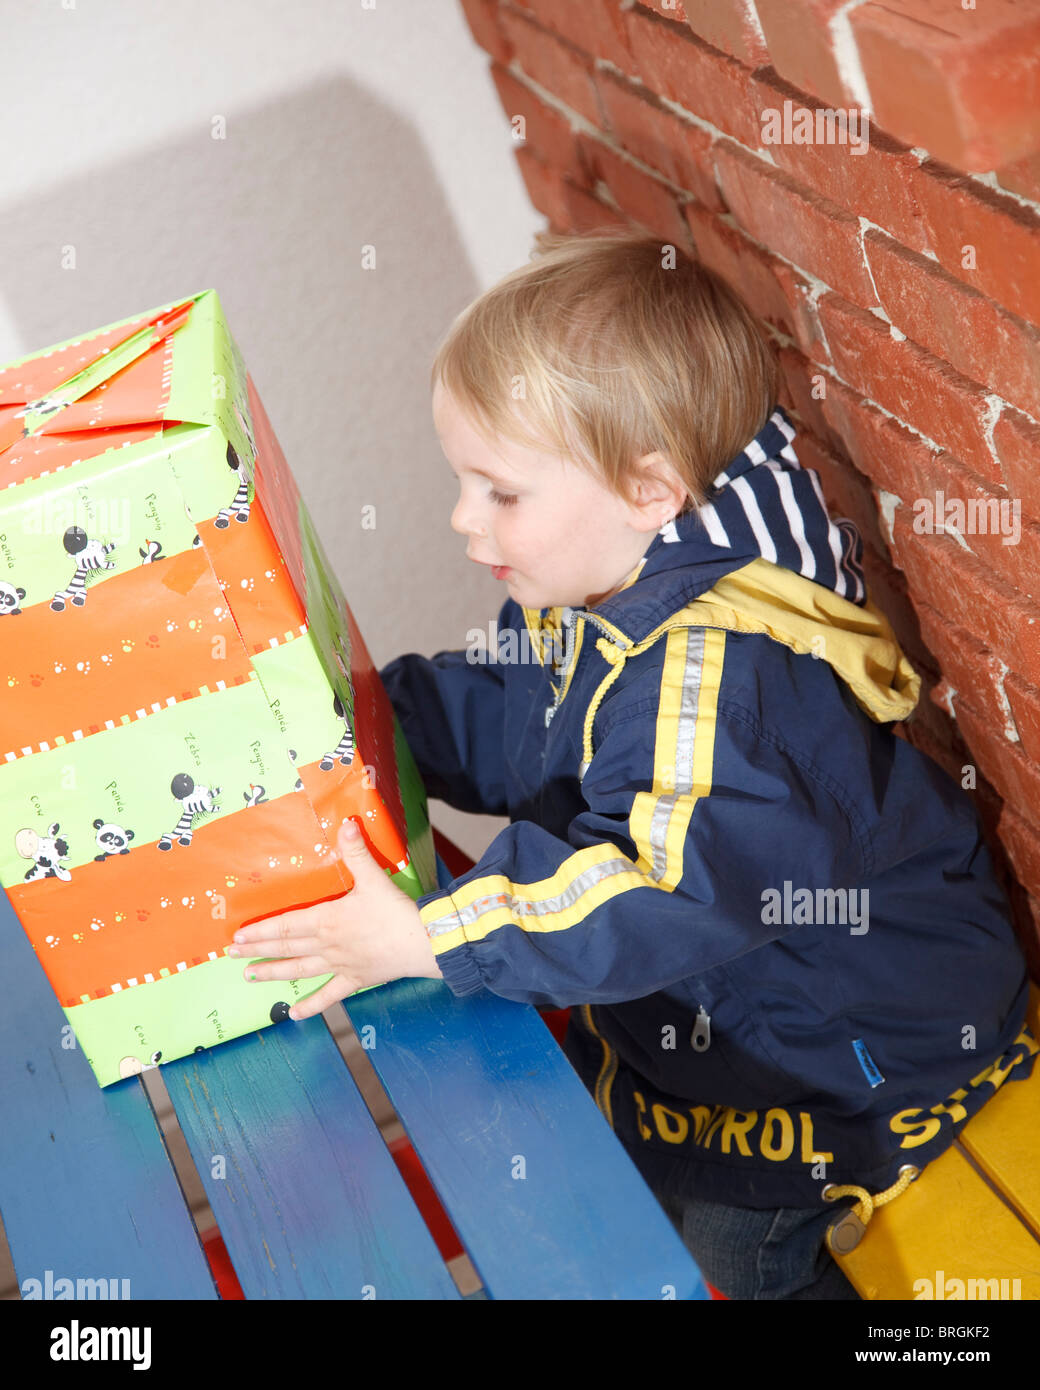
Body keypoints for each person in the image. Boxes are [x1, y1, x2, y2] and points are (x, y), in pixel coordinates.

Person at [230, 229, 1036, 1299]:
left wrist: (430, 933)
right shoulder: (586, 599)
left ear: (648, 491)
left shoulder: (723, 684)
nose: (463, 521)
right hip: (709, 1033)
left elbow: (657, 887)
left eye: (499, 492)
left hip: (845, 1063)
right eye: (462, 482)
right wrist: (364, 722)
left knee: (694, 1264)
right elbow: (505, 718)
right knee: (560, 1163)